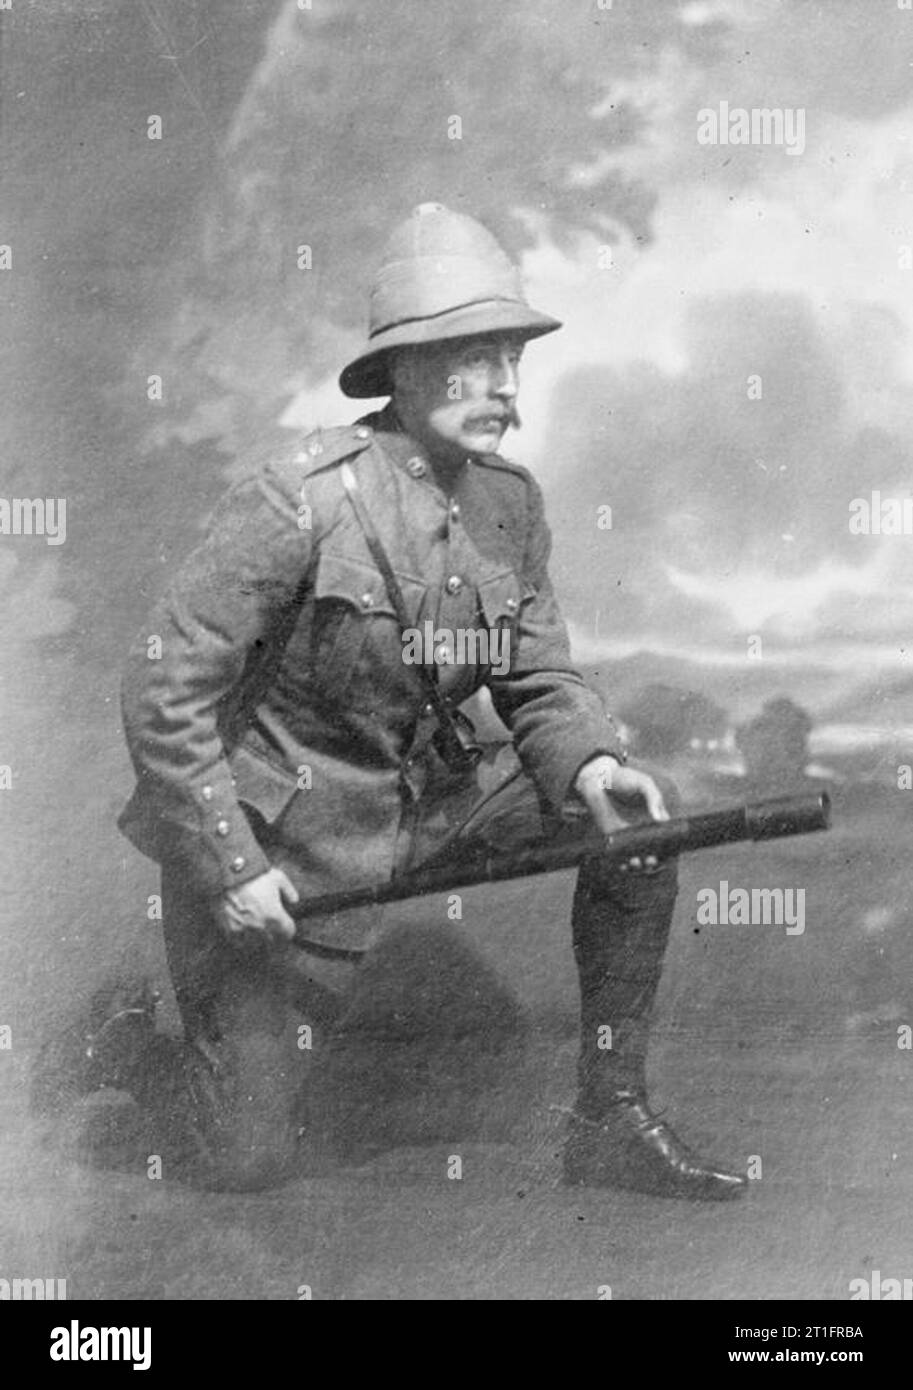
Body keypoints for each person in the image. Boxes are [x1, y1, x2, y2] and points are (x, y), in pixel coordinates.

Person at [118, 202, 746, 1199]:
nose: (501, 385)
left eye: (510, 358)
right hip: (283, 847)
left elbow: (537, 675)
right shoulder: (300, 498)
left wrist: (591, 763)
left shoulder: (509, 503)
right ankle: (137, 1058)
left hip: (435, 809)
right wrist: (231, 865)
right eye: (470, 358)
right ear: (403, 370)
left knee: (636, 820)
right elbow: (163, 687)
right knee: (246, 1160)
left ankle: (609, 1116)